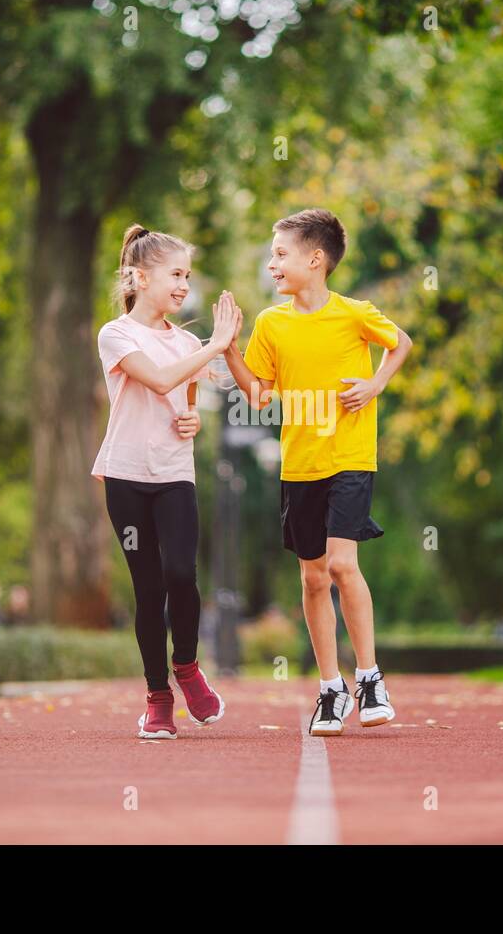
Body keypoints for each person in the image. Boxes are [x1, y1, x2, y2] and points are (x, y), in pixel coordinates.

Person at [221, 208, 413, 736]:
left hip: (350, 459)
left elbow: (402, 343)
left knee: (342, 566)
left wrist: (375, 385)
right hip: (299, 465)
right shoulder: (272, 323)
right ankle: (331, 688)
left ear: (316, 259)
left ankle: (369, 678)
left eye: (280, 254)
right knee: (311, 575)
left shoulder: (355, 314)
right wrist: (230, 348)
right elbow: (258, 393)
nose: (272, 264)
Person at [91, 224, 239, 740]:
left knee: (182, 574)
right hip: (127, 475)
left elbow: (187, 398)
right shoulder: (117, 334)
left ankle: (188, 668)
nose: (183, 286)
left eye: (187, 276)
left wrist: (194, 418)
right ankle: (158, 699)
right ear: (139, 276)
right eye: (175, 274)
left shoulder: (186, 340)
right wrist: (216, 344)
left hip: (175, 474)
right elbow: (157, 380)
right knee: (148, 589)